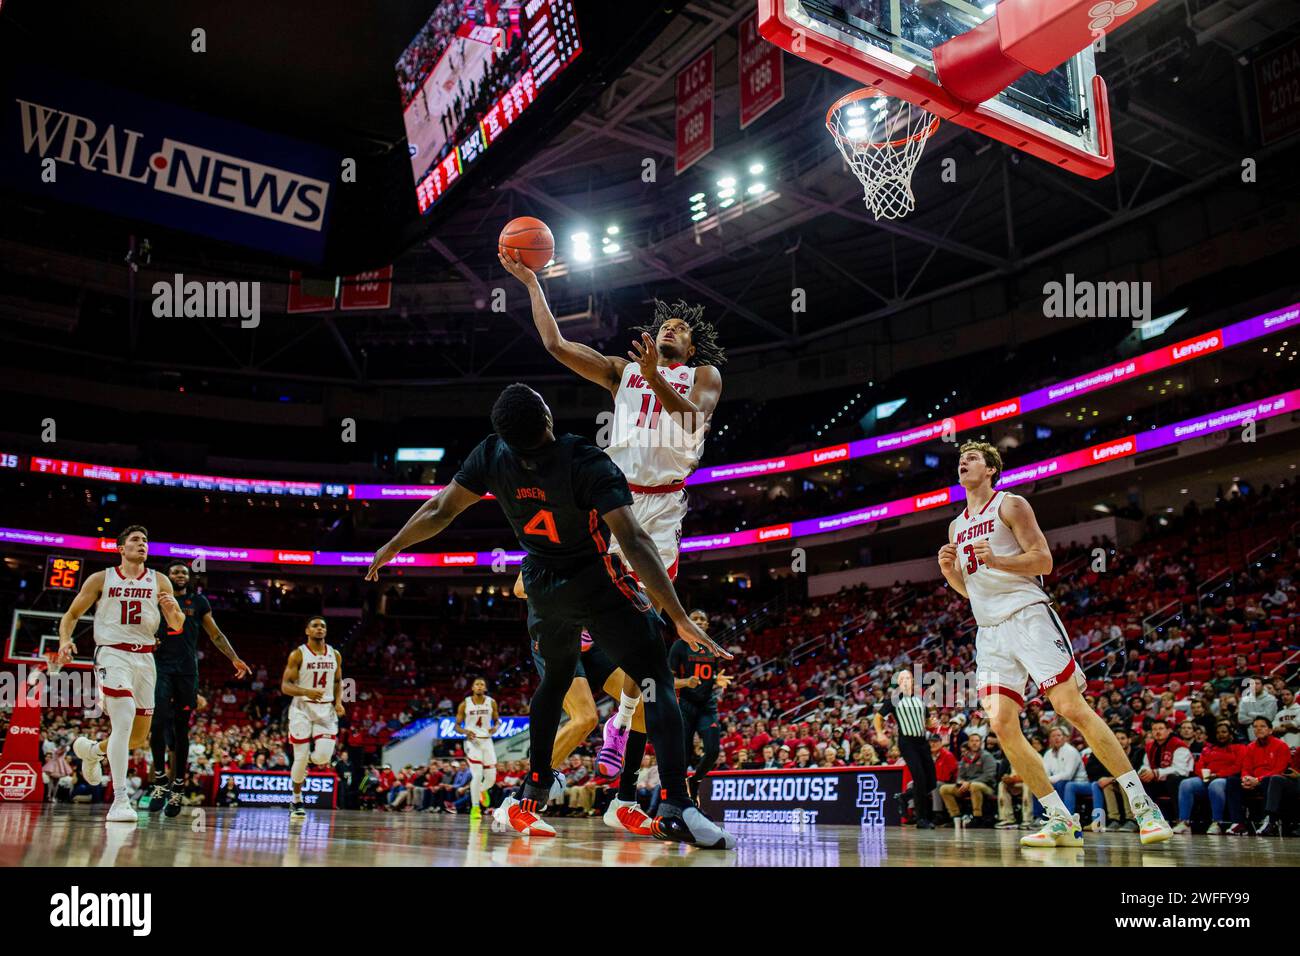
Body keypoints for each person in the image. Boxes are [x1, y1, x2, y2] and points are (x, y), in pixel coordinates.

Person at [366, 383, 735, 848]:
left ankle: (557, 787)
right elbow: (636, 542)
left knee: (558, 682)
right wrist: (679, 617)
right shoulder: (584, 458)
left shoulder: (490, 455)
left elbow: (441, 509)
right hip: (594, 583)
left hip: (544, 589)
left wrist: (391, 547)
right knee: (653, 678)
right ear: (546, 417)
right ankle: (677, 804)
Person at [500, 254, 725, 779]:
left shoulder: (702, 375)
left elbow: (693, 420)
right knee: (555, 586)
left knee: (651, 627)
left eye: (680, 329)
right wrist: (533, 282)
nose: (671, 328)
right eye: (664, 324)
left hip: (664, 507)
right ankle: (574, 631)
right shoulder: (623, 372)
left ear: (690, 348)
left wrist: (658, 378)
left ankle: (621, 722)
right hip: (615, 499)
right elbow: (556, 344)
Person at [936, 442, 1170, 847]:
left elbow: (1043, 561)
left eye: (973, 457)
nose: (964, 461)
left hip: (1028, 614)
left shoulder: (1010, 505)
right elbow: (972, 593)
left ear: (991, 469)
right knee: (1002, 725)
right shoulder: (956, 527)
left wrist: (999, 560)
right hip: (989, 630)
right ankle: (1060, 818)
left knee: (1069, 707)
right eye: (961, 458)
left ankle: (1144, 806)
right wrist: (949, 575)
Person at [61, 526, 186, 823]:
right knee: (124, 716)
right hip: (112, 653)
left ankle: (93, 751)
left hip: (145, 659)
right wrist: (66, 639)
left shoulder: (160, 580)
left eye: (145, 540)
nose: (142, 544)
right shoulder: (101, 578)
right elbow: (71, 615)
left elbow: (178, 625)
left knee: (137, 737)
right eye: (135, 540)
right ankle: (119, 800)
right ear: (120, 548)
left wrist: (172, 612)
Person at [144, 560, 249, 818]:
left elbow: (215, 634)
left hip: (187, 671)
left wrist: (234, 657)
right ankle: (160, 781)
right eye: (174, 572)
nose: (179, 575)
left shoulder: (199, 602)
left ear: (189, 578)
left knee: (181, 728)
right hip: (159, 667)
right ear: (166, 578)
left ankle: (178, 786)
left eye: (184, 572)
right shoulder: (153, 599)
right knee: (156, 723)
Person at [281, 616, 345, 819]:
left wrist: (338, 702)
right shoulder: (298, 654)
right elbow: (285, 686)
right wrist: (306, 692)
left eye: (323, 626)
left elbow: (338, 681)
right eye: (315, 626)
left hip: (326, 710)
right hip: (302, 708)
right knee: (299, 758)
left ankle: (306, 759)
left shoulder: (335, 654)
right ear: (307, 631)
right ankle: (296, 799)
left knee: (323, 758)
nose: (319, 629)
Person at [670, 608, 733, 802]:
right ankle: (678, 799)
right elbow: (668, 680)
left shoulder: (712, 648)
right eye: (694, 619)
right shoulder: (679, 646)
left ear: (707, 625)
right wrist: (685, 682)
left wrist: (716, 679)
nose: (698, 621)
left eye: (702, 619)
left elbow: (707, 676)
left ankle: (695, 781)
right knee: (685, 755)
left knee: (713, 751)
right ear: (688, 622)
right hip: (686, 705)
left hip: (707, 705)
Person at [873, 669, 935, 828]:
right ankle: (921, 819)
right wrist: (880, 733)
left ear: (913, 681)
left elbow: (927, 721)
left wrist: (932, 724)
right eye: (903, 678)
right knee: (919, 779)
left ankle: (904, 797)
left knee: (931, 781)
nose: (906, 680)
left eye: (909, 678)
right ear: (899, 682)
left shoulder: (920, 699)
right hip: (907, 743)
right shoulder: (894, 699)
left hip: (922, 741)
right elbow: (878, 717)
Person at [1173, 721, 1244, 835]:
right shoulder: (1208, 749)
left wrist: (1217, 775)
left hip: (1226, 779)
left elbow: (1237, 767)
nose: (1221, 735)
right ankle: (1184, 822)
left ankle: (1217, 823)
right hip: (1206, 779)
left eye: (1224, 732)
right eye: (1218, 733)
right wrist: (1204, 776)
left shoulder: (1239, 748)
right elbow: (1199, 765)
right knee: (1185, 784)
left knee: (1215, 784)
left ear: (1230, 734)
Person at [455, 677, 500, 820]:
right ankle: (475, 808)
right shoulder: (464, 704)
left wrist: (496, 728)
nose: (480, 687)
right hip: (472, 741)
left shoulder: (491, 702)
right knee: (477, 774)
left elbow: (498, 721)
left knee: (491, 779)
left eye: (482, 684)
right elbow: (456, 726)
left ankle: (481, 790)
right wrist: (465, 732)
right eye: (477, 684)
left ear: (485, 688)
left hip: (487, 740)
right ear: (473, 688)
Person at [940, 732, 997, 825]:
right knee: (944, 789)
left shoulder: (987, 756)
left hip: (987, 787)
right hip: (967, 786)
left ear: (981, 743)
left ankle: (977, 817)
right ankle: (955, 817)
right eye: (972, 741)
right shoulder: (965, 757)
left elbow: (989, 775)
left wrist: (969, 783)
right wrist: (960, 781)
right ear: (969, 743)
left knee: (974, 786)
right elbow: (960, 775)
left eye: (977, 741)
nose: (974, 743)